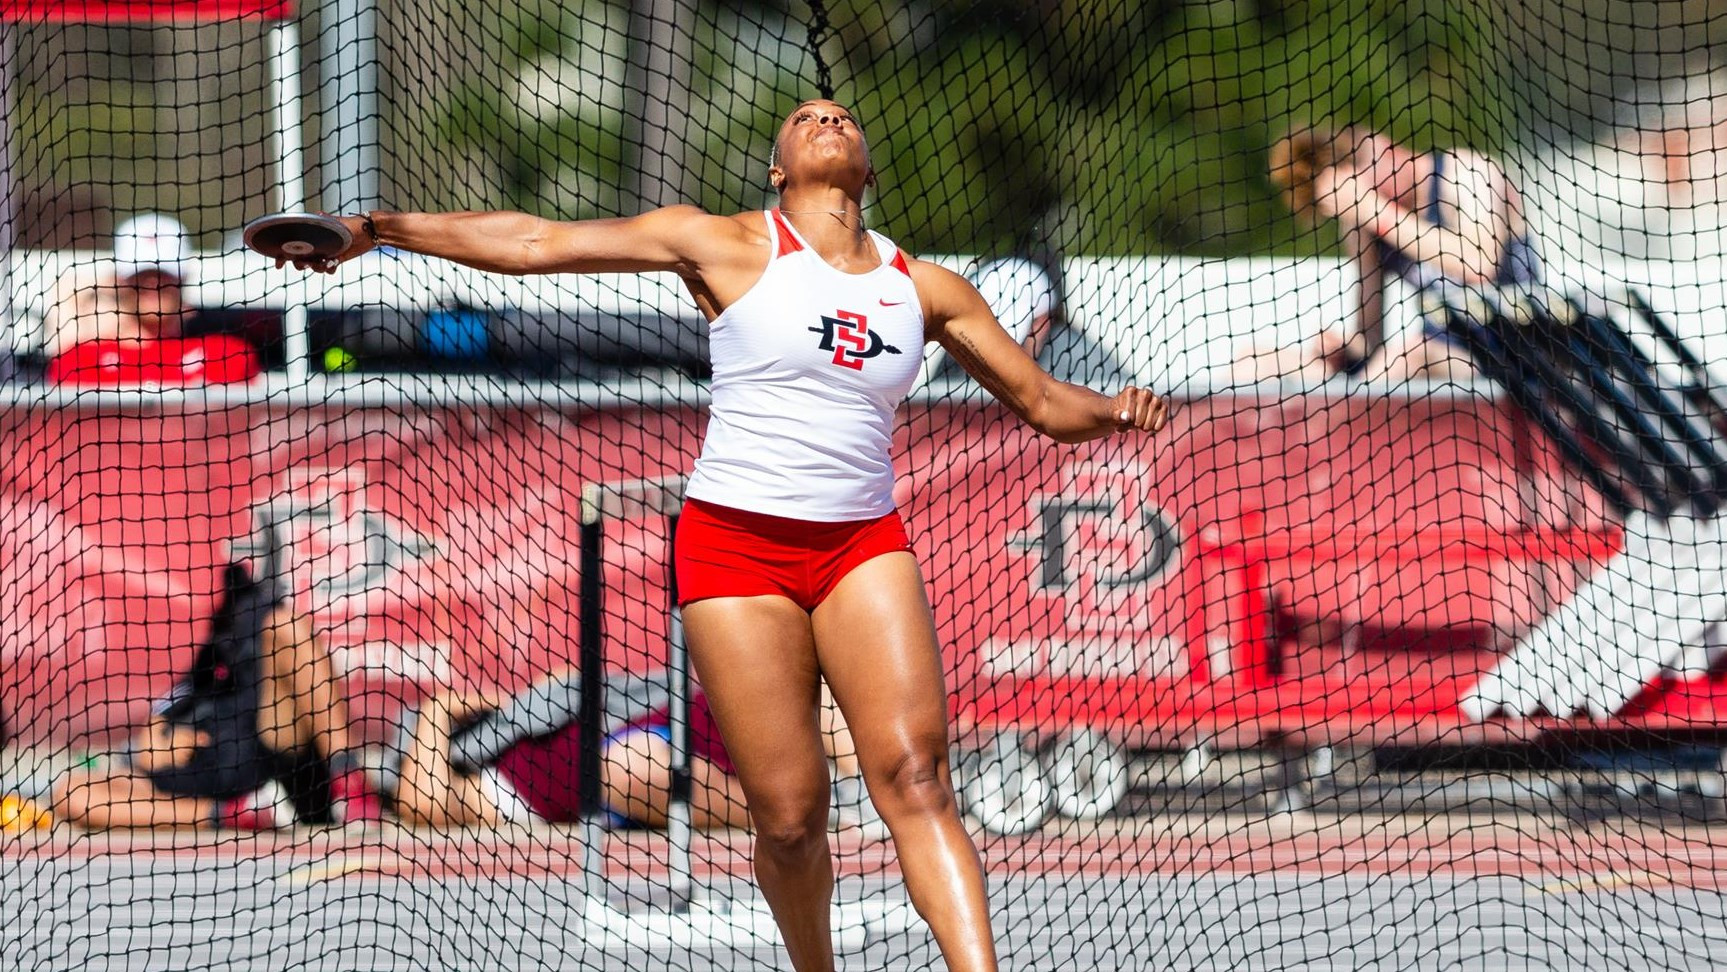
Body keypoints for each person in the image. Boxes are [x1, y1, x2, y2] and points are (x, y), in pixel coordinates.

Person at [283, 98, 1168, 972]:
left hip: (860, 545)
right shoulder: (723, 243)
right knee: (787, 817)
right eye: (805, 115)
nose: (827, 117)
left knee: (917, 779)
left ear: (867, 167)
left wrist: (1117, 409)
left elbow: (1046, 403)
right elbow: (534, 243)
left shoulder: (924, 287)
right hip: (735, 550)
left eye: (843, 116)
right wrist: (374, 228)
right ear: (778, 167)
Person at [49, 559, 381, 830]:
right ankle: (238, 814)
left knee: (289, 628)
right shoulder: (188, 685)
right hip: (202, 790)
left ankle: (348, 780)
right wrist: (161, 744)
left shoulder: (257, 666)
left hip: (268, 763)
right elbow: (149, 749)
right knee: (73, 792)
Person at [386, 671, 877, 834]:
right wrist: (439, 710)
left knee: (799, 673)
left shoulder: (509, 728)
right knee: (627, 769)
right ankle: (819, 808)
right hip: (638, 768)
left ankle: (866, 790)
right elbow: (420, 802)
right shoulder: (483, 791)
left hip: (668, 713)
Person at [1243, 126, 1540, 383]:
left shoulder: (1467, 173)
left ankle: (1348, 428)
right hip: (1436, 349)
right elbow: (1370, 339)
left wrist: (1375, 211)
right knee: (1257, 360)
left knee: (1409, 355)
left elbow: (1480, 264)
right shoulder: (1365, 221)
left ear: (1386, 147)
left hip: (1510, 349)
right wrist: (1342, 349)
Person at [41, 213, 200, 359]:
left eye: (163, 274)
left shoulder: (214, 351)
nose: (152, 283)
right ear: (118, 279)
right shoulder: (87, 358)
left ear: (184, 277)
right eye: (140, 275)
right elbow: (66, 293)